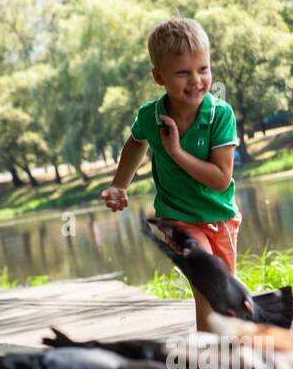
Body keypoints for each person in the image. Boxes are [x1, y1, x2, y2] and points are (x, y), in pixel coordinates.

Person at [101, 17, 240, 331]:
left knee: (224, 289)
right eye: (182, 73)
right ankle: (210, 359)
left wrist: (176, 152)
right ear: (158, 76)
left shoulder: (220, 115)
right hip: (177, 219)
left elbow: (220, 179)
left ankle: (237, 340)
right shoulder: (150, 116)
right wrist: (118, 184)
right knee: (206, 282)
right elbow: (136, 142)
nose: (195, 81)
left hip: (218, 217)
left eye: (203, 69)